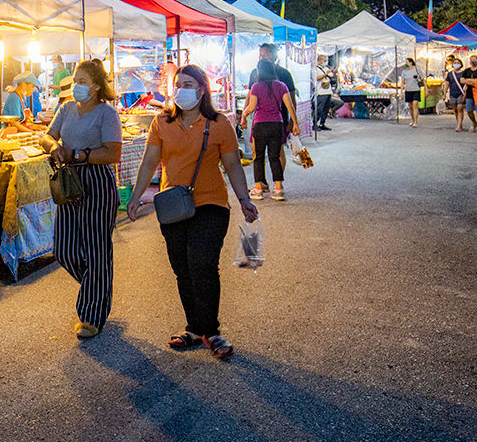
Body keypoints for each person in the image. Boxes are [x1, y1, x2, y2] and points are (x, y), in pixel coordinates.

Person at [127, 64, 259, 359]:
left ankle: (211, 331)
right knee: (182, 268)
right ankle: (193, 328)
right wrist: (136, 197)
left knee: (203, 264)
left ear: (201, 90)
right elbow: (150, 162)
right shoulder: (161, 122)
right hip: (173, 205)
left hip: (211, 203)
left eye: (188, 84)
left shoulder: (219, 124)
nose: (181, 90)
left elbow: (233, 165)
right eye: (178, 84)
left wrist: (244, 199)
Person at [37, 58, 123, 339]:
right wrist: (54, 148)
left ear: (96, 86)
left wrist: (79, 154)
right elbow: (47, 136)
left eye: (82, 82)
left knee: (97, 248)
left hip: (97, 181)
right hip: (68, 181)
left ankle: (92, 317)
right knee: (64, 249)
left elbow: (113, 153)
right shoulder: (66, 108)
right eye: (75, 81)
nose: (77, 86)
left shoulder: (107, 114)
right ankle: (97, 284)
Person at [239, 58, 298, 201]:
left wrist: (244, 115)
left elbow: (252, 107)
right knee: (275, 157)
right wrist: (295, 123)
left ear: (259, 72)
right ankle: (278, 190)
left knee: (258, 158)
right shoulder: (282, 86)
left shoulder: (256, 87)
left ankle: (258, 189)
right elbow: (289, 106)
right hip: (277, 125)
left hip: (260, 125)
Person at [387, 57, 424, 127]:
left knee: (415, 105)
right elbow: (402, 82)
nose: (406, 64)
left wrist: (426, 89)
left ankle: (416, 121)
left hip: (416, 90)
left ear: (411, 62)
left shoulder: (417, 70)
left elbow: (422, 80)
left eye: (407, 62)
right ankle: (412, 120)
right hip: (408, 90)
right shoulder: (405, 72)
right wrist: (401, 91)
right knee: (410, 106)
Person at [444, 56, 468, 132]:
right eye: (455, 63)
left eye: (458, 63)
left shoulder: (464, 73)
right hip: (453, 93)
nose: (456, 64)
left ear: (461, 64)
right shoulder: (450, 74)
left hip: (461, 93)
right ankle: (459, 123)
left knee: (460, 108)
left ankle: (459, 125)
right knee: (455, 109)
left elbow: (467, 83)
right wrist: (444, 94)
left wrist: (465, 93)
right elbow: (447, 84)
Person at [314, 56, 335, 130]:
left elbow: (331, 75)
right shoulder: (316, 69)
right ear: (319, 61)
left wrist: (332, 72)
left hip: (328, 91)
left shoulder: (325, 68)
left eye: (326, 60)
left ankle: (322, 123)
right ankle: (314, 124)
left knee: (326, 109)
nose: (326, 62)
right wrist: (325, 74)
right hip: (321, 92)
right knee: (319, 109)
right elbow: (317, 78)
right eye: (324, 60)